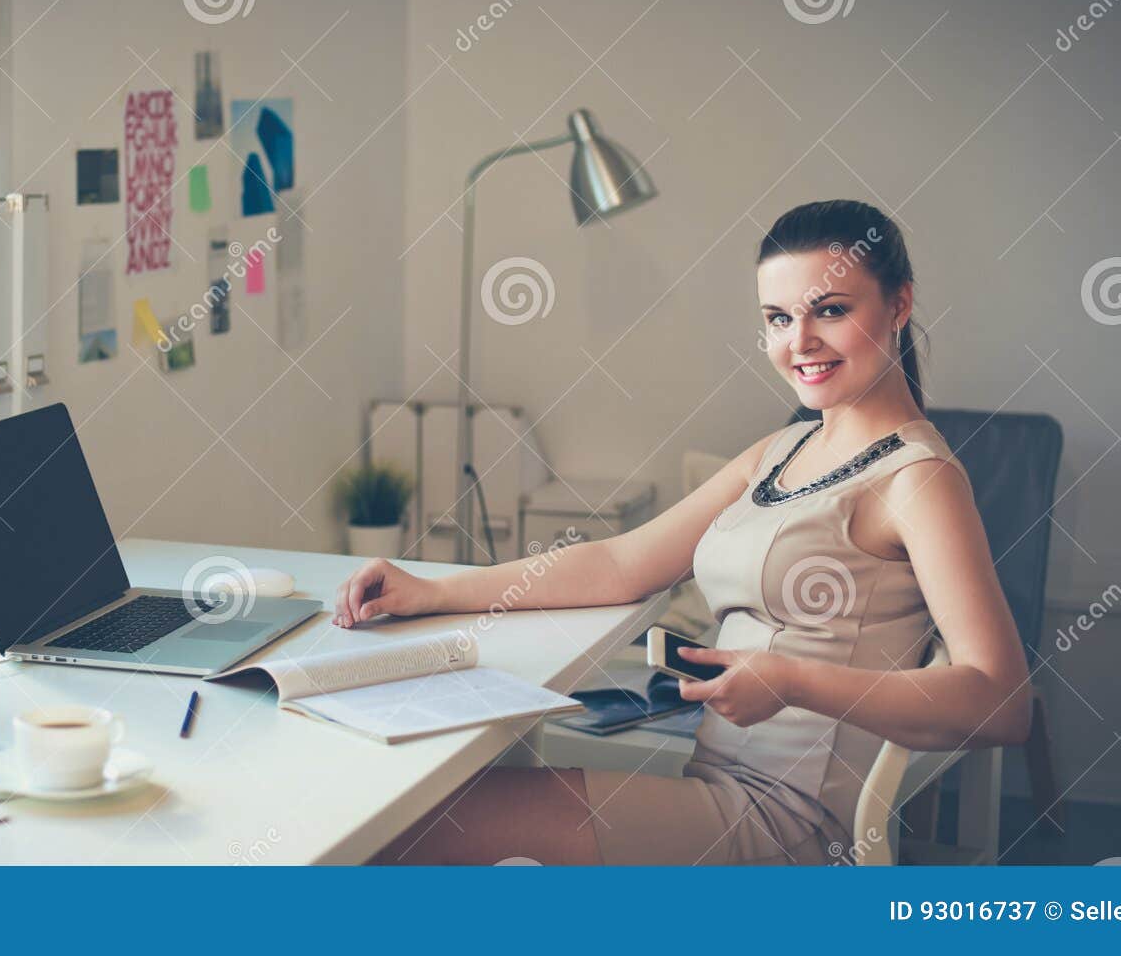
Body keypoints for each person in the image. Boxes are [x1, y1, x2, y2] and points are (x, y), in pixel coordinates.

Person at [333, 200, 1032, 865]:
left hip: (785, 826)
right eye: (778, 317)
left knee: (410, 828)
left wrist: (792, 680)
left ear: (899, 304)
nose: (800, 342)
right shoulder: (783, 448)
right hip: (711, 780)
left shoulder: (918, 478)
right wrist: (434, 589)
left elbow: (1002, 702)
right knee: (404, 811)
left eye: (830, 311)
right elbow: (621, 563)